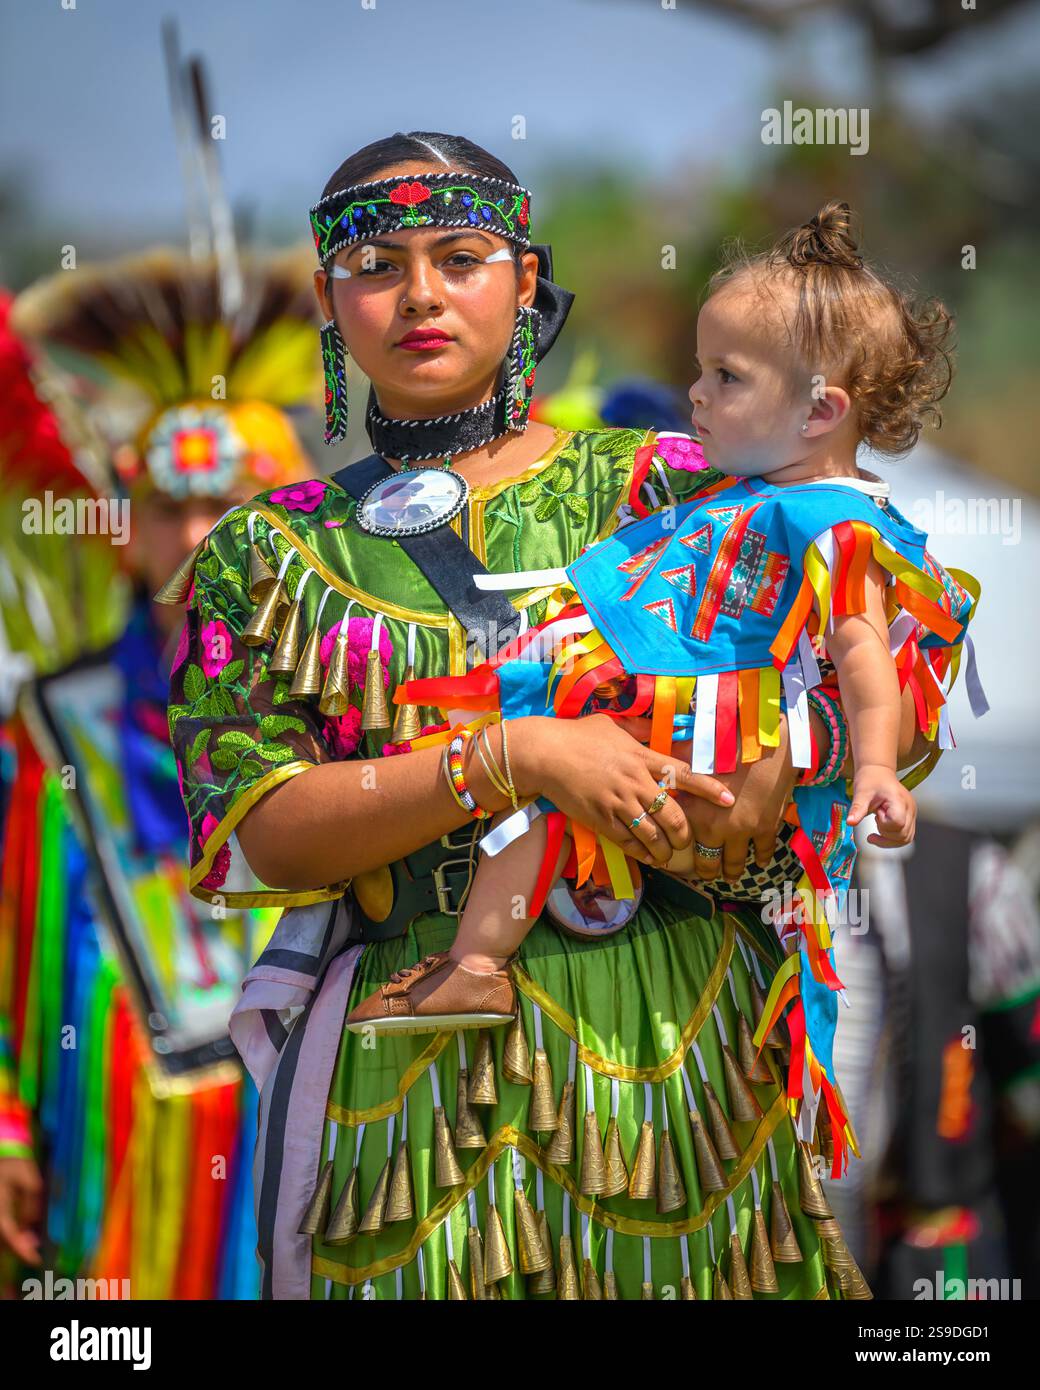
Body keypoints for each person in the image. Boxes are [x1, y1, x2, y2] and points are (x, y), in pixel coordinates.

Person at [168, 132, 964, 1301]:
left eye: (462, 256)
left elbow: (883, 616)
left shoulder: (678, 479)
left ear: (526, 278)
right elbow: (258, 829)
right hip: (412, 1072)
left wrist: (759, 790)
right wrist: (511, 756)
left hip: (684, 1049)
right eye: (377, 265)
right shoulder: (263, 549)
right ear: (328, 300)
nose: (421, 294)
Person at [346, 202, 979, 1075]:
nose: (697, 394)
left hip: (714, 734)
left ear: (819, 409)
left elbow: (868, 654)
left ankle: (478, 962)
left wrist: (864, 765)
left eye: (726, 376)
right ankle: (484, 962)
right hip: (680, 721)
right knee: (544, 782)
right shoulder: (739, 493)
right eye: (702, 370)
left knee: (547, 783)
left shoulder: (833, 523)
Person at [0, 249, 319, 1297]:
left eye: (228, 505)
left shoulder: (354, 711)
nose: (193, 542)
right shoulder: (46, 736)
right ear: (124, 530)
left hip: (324, 1168)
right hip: (116, 1192)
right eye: (166, 509)